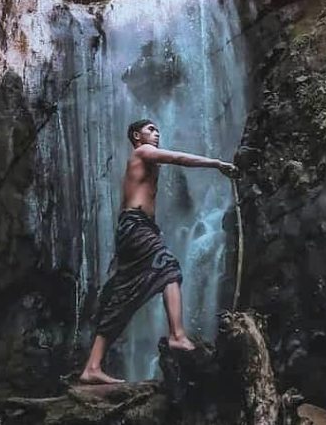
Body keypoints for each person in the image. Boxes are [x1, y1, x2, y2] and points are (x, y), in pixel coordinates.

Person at [78, 118, 239, 384]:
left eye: (157, 130)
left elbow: (127, 202)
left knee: (122, 300)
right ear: (136, 136)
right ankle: (177, 335)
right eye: (150, 130)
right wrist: (216, 164)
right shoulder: (142, 152)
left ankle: (92, 367)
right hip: (136, 226)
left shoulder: (142, 163)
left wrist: (128, 242)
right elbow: (178, 158)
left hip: (134, 228)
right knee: (169, 268)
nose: (156, 134)